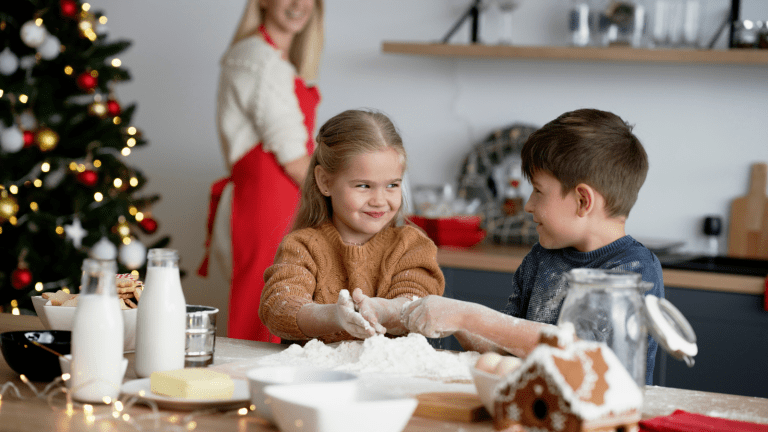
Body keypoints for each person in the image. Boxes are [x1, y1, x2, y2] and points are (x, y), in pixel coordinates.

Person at [401, 108, 664, 385]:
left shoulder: (633, 271)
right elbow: (505, 347)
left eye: (538, 191)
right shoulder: (541, 258)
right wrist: (454, 320)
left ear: (583, 201)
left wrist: (468, 316)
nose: (528, 205)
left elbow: (582, 356)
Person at [259, 109, 445, 344]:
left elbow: (416, 302)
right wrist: (335, 315)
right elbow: (280, 306)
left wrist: (379, 310)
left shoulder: (413, 246)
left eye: (392, 185)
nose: (379, 200)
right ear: (325, 182)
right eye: (364, 186)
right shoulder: (301, 246)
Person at [197, 0, 325, 342]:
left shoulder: (274, 60)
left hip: (284, 199)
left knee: (283, 304)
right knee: (266, 310)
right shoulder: (258, 59)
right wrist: (338, 200)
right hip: (267, 202)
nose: (299, 4)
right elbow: (294, 158)